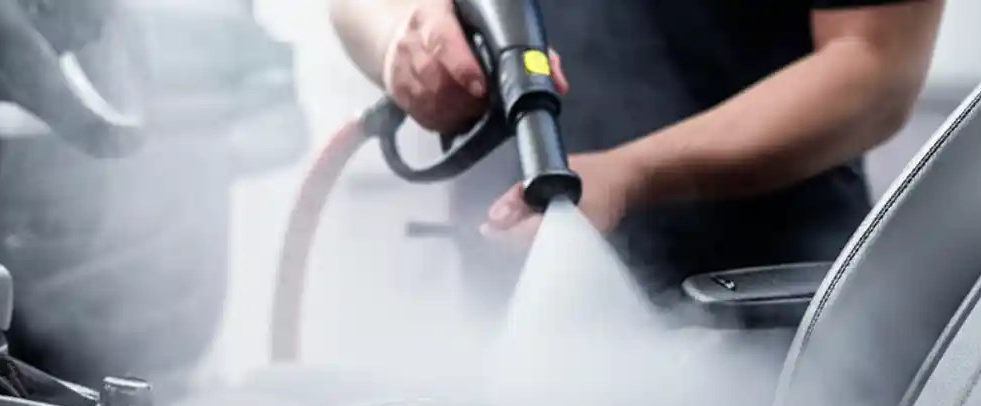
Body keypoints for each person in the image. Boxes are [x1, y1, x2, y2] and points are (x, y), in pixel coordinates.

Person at [332, 0, 944, 311]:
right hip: (504, 286)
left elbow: (874, 65)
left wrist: (635, 173)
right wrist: (402, 40)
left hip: (759, 305)